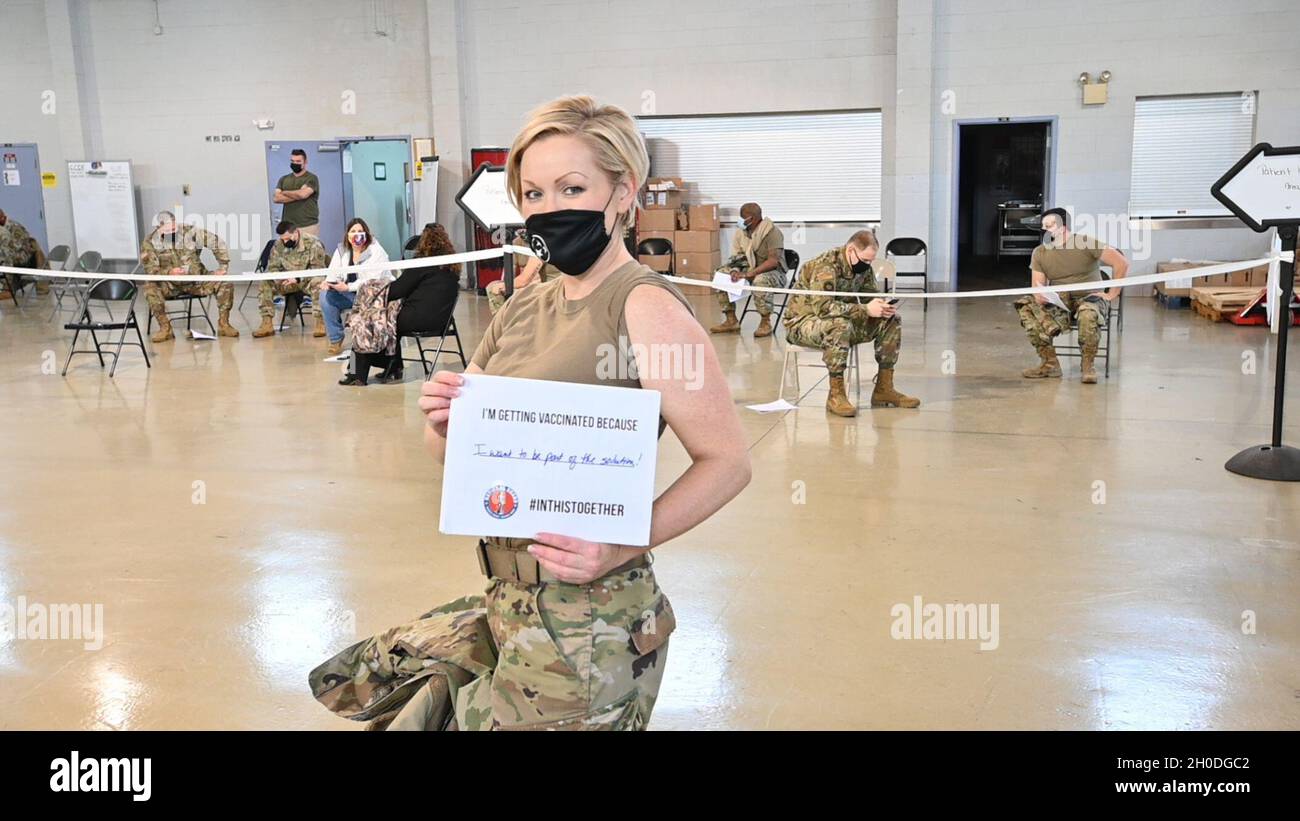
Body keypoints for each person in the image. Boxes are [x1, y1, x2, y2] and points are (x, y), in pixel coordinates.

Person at [311, 95, 751, 731]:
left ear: (622, 192)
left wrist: (621, 544)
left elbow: (727, 462)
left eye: (573, 187)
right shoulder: (523, 306)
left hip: (589, 623)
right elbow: (454, 456)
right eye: (535, 192)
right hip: (509, 595)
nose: (550, 209)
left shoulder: (644, 307)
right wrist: (443, 421)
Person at [783, 229, 920, 416]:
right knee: (840, 325)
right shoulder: (825, 266)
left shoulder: (863, 267)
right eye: (865, 260)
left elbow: (868, 296)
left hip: (841, 320)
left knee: (891, 320)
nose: (868, 265)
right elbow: (823, 309)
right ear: (850, 251)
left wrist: (881, 306)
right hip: (802, 323)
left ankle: (884, 389)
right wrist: (865, 310)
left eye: (871, 261)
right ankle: (835, 395)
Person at [1016, 207, 1128, 383]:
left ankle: (1087, 365)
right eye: (1045, 225)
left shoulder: (1086, 243)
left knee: (1087, 313)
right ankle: (1050, 363)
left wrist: (1113, 293)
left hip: (1090, 298)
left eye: (1051, 224)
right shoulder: (1040, 253)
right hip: (1061, 301)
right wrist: (1040, 296)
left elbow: (1121, 262)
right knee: (1026, 307)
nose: (1046, 228)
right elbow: (1037, 286)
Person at [340, 222, 460, 386]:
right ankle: (393, 367)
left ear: (423, 243)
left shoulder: (421, 264)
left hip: (417, 318)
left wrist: (373, 289)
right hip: (443, 320)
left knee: (362, 321)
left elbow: (396, 290)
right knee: (388, 321)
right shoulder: (452, 266)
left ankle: (355, 374)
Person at [139, 212, 238, 341]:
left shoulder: (190, 232)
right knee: (149, 288)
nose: (172, 233)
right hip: (170, 285)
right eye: (168, 230)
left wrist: (222, 267)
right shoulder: (149, 242)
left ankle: (224, 324)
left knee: (225, 282)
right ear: (159, 227)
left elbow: (216, 242)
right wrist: (169, 272)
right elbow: (151, 271)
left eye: (174, 228)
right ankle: (165, 328)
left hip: (196, 281)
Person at [710, 202, 786, 338]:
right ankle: (731, 320)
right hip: (749, 268)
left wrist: (750, 273)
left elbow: (773, 261)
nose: (740, 220)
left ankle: (765, 322)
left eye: (742, 217)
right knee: (721, 274)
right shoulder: (742, 232)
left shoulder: (772, 232)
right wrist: (734, 270)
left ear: (753, 219)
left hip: (774, 273)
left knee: (760, 280)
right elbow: (738, 256)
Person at [320, 217, 391, 355]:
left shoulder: (375, 250)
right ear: (347, 235)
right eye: (353, 231)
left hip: (372, 296)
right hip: (350, 294)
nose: (356, 234)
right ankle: (336, 339)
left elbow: (371, 281)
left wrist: (348, 287)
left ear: (366, 233)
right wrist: (328, 282)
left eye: (360, 231)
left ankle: (367, 343)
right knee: (325, 296)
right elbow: (333, 273)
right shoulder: (341, 250)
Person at [254, 220, 329, 339]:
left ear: (296, 232)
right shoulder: (278, 245)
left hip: (306, 280)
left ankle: (320, 322)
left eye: (287, 238)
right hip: (286, 281)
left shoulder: (313, 243)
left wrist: (298, 278)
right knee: (265, 282)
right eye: (282, 239)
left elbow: (318, 269)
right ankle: (267, 323)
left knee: (318, 282)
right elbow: (272, 267)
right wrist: (279, 277)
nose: (284, 241)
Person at [485, 227, 558, 314]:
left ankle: (504, 322)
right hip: (538, 284)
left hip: (552, 287)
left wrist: (504, 286)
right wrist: (504, 284)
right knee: (493, 286)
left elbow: (525, 280)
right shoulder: (517, 242)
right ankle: (505, 321)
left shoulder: (542, 242)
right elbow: (510, 270)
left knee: (497, 289)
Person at [0, 209, 50, 297]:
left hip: (24, 254)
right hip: (13, 254)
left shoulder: (14, 227)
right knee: (4, 254)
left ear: (2, 218)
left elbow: (17, 247)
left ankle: (8, 288)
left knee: (5, 255)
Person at [273, 149, 321, 237]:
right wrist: (298, 193)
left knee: (309, 250)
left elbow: (303, 194)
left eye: (298, 161)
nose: (295, 163)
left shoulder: (311, 178)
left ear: (305, 162)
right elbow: (276, 198)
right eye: (292, 161)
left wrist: (284, 192)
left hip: (308, 225)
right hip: (288, 227)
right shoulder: (284, 179)